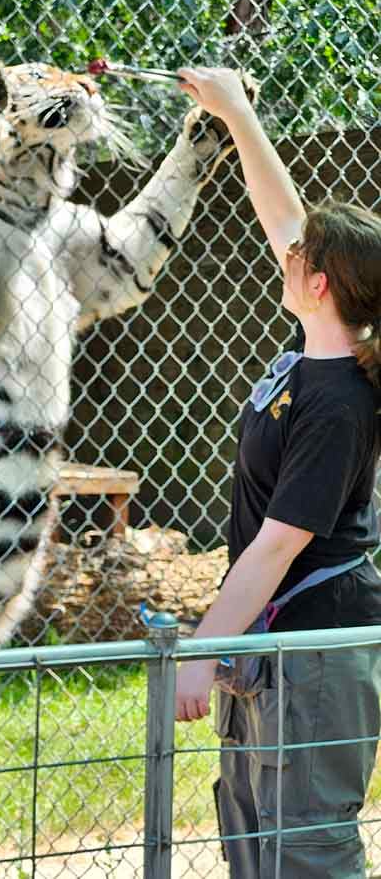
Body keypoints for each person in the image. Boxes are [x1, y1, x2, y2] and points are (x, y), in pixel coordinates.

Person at [173, 66, 381, 879]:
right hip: (276, 641)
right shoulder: (317, 350)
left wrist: (202, 650)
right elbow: (285, 217)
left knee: (306, 848)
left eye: (298, 256)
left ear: (319, 284)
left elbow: (275, 546)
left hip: (315, 647)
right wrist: (235, 111)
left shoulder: (338, 403)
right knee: (253, 836)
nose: (283, 254)